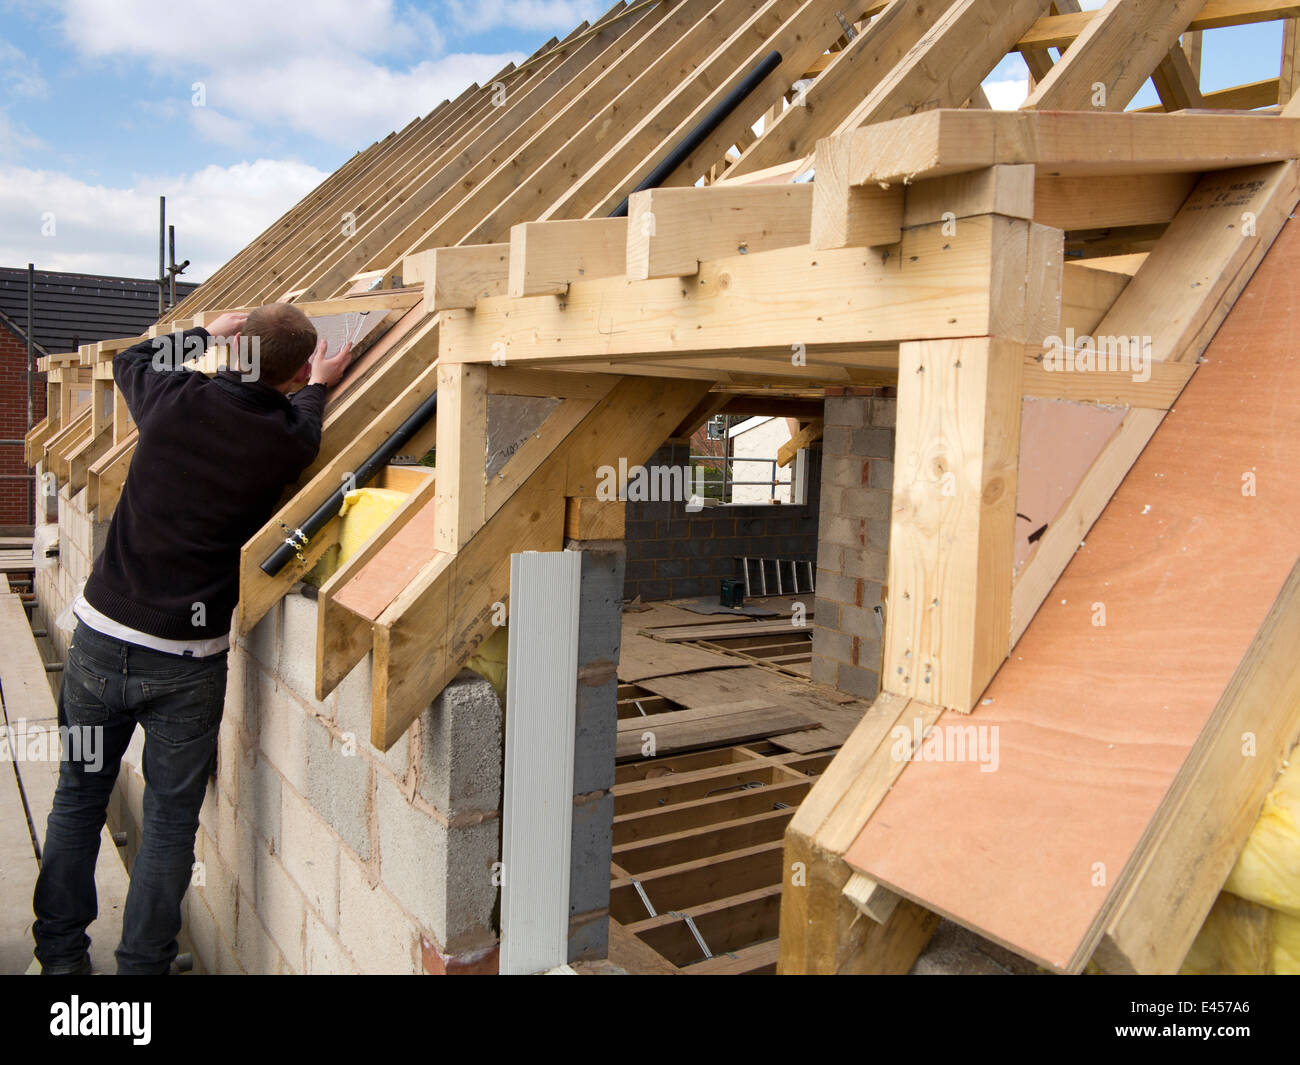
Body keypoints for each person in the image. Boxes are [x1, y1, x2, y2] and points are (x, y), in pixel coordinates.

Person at [32, 303, 352, 975]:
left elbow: (130, 359)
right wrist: (320, 380)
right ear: (294, 374)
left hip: (100, 638)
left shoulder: (174, 398)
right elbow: (306, 418)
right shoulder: (286, 441)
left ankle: (60, 961)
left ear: (237, 353)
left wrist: (207, 334)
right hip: (186, 663)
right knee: (171, 824)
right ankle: (141, 971)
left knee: (77, 800)